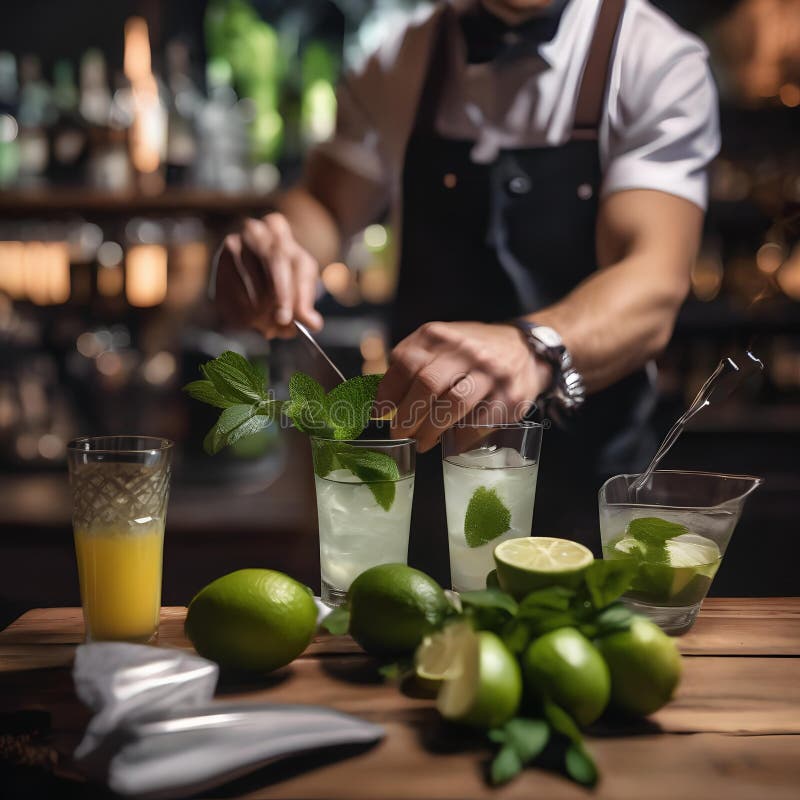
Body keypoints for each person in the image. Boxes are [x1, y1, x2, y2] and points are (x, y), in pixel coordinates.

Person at [214, 0, 720, 583]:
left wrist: (535, 347)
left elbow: (653, 277)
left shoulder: (655, 59)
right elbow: (327, 206)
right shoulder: (396, 56)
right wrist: (279, 251)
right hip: (424, 480)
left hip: (592, 496)